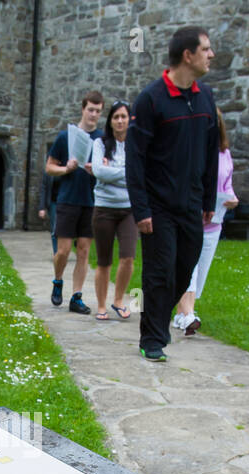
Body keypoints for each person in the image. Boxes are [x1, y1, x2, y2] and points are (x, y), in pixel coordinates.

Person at [125, 27, 219, 362]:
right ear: (187, 55)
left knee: (185, 266)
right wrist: (141, 209)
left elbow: (211, 154)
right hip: (158, 206)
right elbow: (135, 158)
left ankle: (158, 322)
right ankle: (152, 338)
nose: (211, 55)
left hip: (192, 205)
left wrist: (209, 200)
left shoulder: (205, 97)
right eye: (206, 49)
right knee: (159, 271)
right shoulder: (151, 99)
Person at [173, 111, 238, 334]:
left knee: (200, 274)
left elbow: (226, 184)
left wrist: (232, 198)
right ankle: (188, 315)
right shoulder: (191, 151)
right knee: (188, 268)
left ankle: (183, 315)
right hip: (191, 219)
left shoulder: (224, 153)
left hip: (215, 221)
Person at [45, 91, 103, 314]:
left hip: (91, 201)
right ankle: (58, 280)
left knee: (84, 250)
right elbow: (49, 167)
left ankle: (76, 297)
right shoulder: (65, 137)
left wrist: (96, 169)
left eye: (98, 111)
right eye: (90, 109)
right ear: (83, 109)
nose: (93, 114)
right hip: (68, 199)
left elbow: (107, 167)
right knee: (63, 250)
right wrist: (65, 168)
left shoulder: (101, 139)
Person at [90, 100, 137, 322]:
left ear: (129, 119)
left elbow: (139, 174)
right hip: (104, 208)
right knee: (104, 261)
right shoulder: (100, 143)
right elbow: (99, 171)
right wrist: (126, 173)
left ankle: (118, 300)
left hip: (129, 209)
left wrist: (114, 172)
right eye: (116, 117)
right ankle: (101, 305)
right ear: (110, 121)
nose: (120, 121)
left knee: (128, 257)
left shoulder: (136, 144)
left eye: (123, 117)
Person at [37, 153, 61, 254]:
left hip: (66, 203)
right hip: (53, 203)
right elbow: (44, 189)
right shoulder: (48, 172)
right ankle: (57, 253)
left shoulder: (68, 169)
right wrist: (42, 207)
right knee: (54, 229)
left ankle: (63, 250)